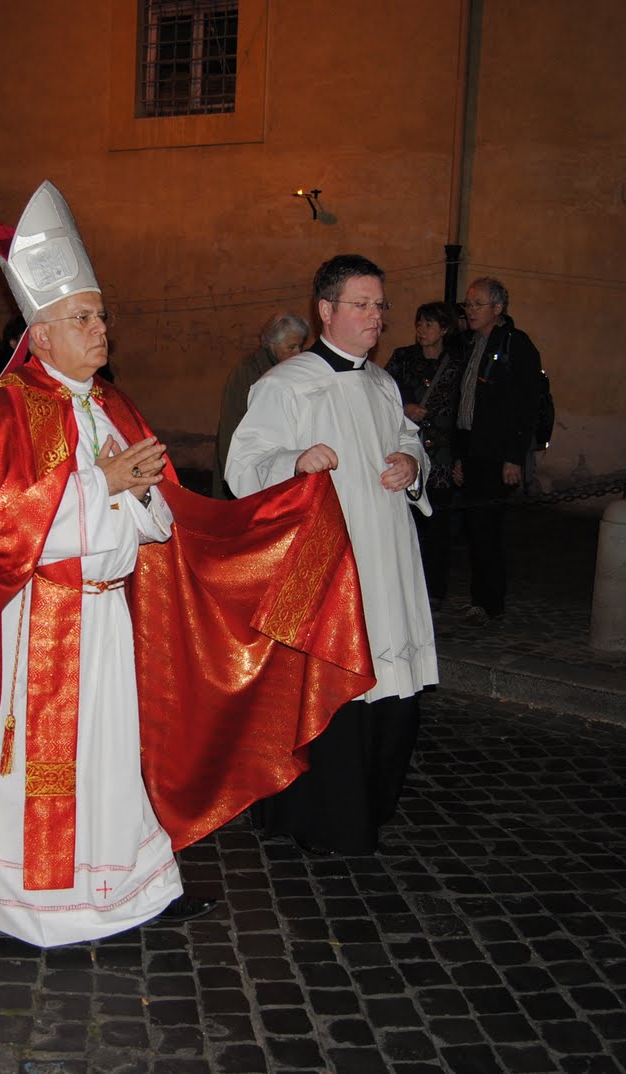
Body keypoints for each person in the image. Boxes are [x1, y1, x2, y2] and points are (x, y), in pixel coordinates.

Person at [0, 181, 373, 975]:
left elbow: (165, 515)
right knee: (46, 771)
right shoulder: (1, 409)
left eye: (101, 316)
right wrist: (107, 489)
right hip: (39, 625)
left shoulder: (113, 406)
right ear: (42, 330)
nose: (102, 330)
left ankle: (130, 890)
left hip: (107, 619)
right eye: (84, 319)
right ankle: (26, 903)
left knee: (113, 760)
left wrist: (140, 495)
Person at [227, 253, 438, 856]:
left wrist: (411, 462)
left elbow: (405, 438)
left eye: (379, 305)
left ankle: (373, 804)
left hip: (388, 558)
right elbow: (243, 467)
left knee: (390, 690)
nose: (375, 317)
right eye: (362, 305)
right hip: (328, 564)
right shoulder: (285, 385)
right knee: (335, 692)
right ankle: (322, 816)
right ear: (327, 310)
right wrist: (292, 464)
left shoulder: (382, 382)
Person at [451, 276, 542, 625]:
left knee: (489, 528)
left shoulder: (516, 345)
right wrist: (459, 454)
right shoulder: (470, 344)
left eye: (478, 304)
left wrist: (513, 457)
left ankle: (491, 601)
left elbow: (524, 406)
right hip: (472, 450)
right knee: (475, 528)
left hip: (496, 453)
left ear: (498, 308)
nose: (470, 310)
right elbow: (463, 404)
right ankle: (480, 598)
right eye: (468, 304)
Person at [384, 301, 464, 601]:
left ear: (444, 329)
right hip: (407, 452)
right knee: (407, 524)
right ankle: (406, 587)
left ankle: (434, 590)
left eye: (429, 324)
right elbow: (384, 394)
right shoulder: (403, 358)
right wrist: (405, 408)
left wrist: (459, 457)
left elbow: (462, 412)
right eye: (419, 323)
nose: (422, 330)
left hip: (441, 456)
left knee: (438, 526)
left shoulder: (457, 365)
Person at [212, 312, 307, 498]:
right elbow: (231, 428)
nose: (298, 353)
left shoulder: (292, 371)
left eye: (301, 346)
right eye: (291, 347)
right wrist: (234, 480)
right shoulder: (247, 372)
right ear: (272, 345)